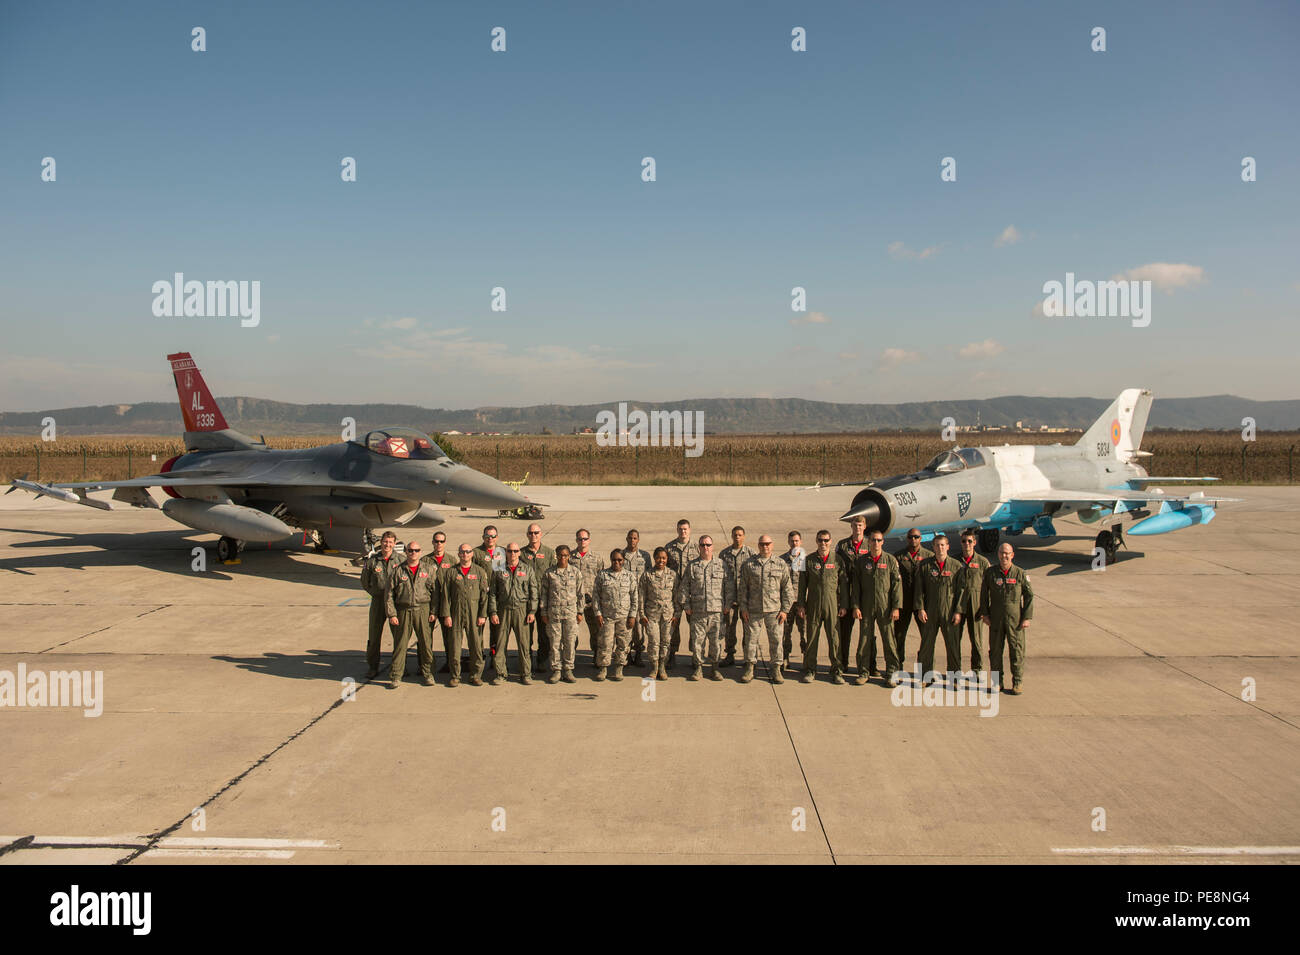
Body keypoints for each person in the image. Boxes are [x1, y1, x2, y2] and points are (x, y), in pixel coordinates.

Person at [737, 535, 794, 683]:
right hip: (753, 610)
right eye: (762, 544)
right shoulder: (749, 564)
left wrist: (785, 610)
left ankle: (776, 668)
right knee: (751, 640)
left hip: (774, 610)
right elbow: (743, 588)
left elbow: (787, 588)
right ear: (758, 545)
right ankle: (750, 667)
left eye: (768, 544)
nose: (765, 546)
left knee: (776, 640)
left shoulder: (780, 564)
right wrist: (743, 608)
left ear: (772, 545)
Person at [978, 543, 1034, 694]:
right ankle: (997, 682)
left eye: (1007, 553)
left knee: (1017, 651)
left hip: (1015, 621)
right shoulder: (991, 573)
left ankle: (1017, 682)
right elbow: (983, 594)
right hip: (995, 619)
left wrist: (1026, 617)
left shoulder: (1020, 573)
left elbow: (1029, 596)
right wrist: (985, 614)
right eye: (1002, 553)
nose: (1004, 556)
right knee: (995, 652)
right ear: (998, 554)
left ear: (1012, 555)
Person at [852, 532, 903, 685]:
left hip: (885, 606)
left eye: (878, 540)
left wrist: (896, 607)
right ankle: (863, 672)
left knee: (889, 640)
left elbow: (896, 586)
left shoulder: (890, 560)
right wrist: (856, 606)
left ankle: (891, 673)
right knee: (864, 640)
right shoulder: (862, 561)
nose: (875, 543)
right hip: (866, 605)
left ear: (883, 542)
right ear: (869, 542)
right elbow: (856, 587)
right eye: (873, 540)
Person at [384, 541, 438, 687]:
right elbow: (389, 594)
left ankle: (428, 674)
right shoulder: (397, 571)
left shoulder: (429, 570)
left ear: (420, 552)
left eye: (416, 550)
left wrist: (434, 611)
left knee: (426, 644)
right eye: (410, 550)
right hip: (403, 610)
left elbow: (435, 592)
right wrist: (392, 614)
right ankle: (396, 675)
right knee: (400, 644)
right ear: (406, 552)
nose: (413, 553)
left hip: (423, 609)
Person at [677, 535, 727, 681]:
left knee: (716, 642)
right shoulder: (692, 566)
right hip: (698, 611)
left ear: (713, 546)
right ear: (698, 547)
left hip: (716, 611)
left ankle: (714, 669)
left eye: (708, 545)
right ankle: (698, 668)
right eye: (703, 545)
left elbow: (728, 586)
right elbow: (684, 588)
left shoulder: (721, 565)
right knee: (698, 642)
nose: (706, 547)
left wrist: (728, 605)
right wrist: (686, 605)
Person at [915, 534, 962, 685]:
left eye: (943, 545)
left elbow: (961, 591)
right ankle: (925, 676)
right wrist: (920, 608)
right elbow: (919, 589)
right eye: (937, 545)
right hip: (930, 611)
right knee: (926, 645)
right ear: (933, 547)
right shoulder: (925, 565)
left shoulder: (956, 566)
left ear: (948, 546)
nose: (940, 548)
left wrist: (958, 611)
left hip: (949, 612)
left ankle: (954, 678)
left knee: (953, 646)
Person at [799, 530, 844, 684]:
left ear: (830, 541)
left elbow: (843, 585)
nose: (823, 543)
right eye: (820, 540)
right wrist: (801, 605)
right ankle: (810, 669)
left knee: (834, 638)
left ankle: (837, 670)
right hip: (813, 605)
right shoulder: (809, 560)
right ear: (816, 541)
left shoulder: (837, 560)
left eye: (826, 540)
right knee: (812, 638)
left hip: (832, 605)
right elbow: (802, 585)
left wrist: (843, 605)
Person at [441, 544, 489, 687]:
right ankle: (455, 676)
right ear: (459, 554)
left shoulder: (479, 572)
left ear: (472, 554)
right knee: (455, 646)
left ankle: (476, 675)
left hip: (474, 614)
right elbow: (446, 595)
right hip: (456, 613)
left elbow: (484, 596)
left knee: (476, 645)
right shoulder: (451, 572)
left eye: (468, 552)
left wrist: (482, 615)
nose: (465, 554)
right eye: (462, 552)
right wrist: (446, 615)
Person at [489, 543, 537, 684]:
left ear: (519, 553)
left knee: (524, 644)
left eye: (516, 551)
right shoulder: (498, 569)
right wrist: (493, 611)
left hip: (521, 609)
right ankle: (501, 673)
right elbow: (492, 593)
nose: (513, 553)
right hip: (504, 609)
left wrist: (532, 611)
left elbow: (534, 591)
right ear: (505, 553)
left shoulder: (527, 569)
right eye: (510, 551)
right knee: (500, 643)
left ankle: (525, 674)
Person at [593, 549, 640, 681]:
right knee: (605, 643)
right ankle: (603, 669)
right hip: (607, 617)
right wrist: (598, 613)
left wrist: (632, 616)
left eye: (619, 560)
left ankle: (619, 668)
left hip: (624, 617)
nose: (617, 562)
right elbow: (596, 596)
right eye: (614, 560)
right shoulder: (603, 575)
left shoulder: (630, 576)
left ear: (623, 560)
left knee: (623, 644)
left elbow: (634, 598)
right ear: (610, 560)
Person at [893, 528, 934, 675]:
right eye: (911, 537)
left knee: (926, 637)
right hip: (903, 602)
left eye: (916, 537)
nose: (913, 540)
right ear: (907, 538)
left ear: (921, 538)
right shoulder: (898, 556)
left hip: (921, 604)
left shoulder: (929, 557)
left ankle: (925, 669)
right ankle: (897, 667)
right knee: (898, 636)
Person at [360, 530, 399, 679]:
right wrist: (375, 593)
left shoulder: (400, 560)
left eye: (390, 542)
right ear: (381, 542)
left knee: (398, 636)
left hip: (394, 603)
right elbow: (364, 581)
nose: (387, 545)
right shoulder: (372, 561)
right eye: (385, 542)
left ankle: (398, 667)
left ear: (394, 544)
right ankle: (372, 666)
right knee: (374, 636)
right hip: (378, 602)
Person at [540, 545, 581, 683]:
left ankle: (568, 670)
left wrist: (580, 611)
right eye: (560, 555)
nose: (562, 558)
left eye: (565, 555)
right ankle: (556, 670)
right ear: (556, 556)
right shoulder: (549, 573)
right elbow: (544, 594)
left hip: (570, 614)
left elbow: (580, 594)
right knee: (554, 644)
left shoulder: (575, 572)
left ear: (569, 556)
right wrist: (544, 612)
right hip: (554, 614)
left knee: (569, 643)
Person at [835, 517, 870, 673]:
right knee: (844, 631)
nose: (858, 528)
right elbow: (836, 567)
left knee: (868, 632)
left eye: (860, 525)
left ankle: (871, 664)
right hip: (847, 593)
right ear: (851, 526)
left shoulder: (870, 544)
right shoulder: (842, 545)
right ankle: (842, 663)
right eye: (855, 525)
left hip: (865, 593)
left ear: (865, 527)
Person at [639, 547, 679, 681]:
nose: (661, 560)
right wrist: (642, 615)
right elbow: (641, 596)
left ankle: (662, 666)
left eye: (663, 558)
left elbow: (677, 596)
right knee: (654, 641)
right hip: (652, 615)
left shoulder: (672, 575)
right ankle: (654, 666)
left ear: (667, 560)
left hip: (668, 615)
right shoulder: (647, 575)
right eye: (658, 557)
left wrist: (677, 614)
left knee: (666, 642)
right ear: (654, 558)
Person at [953, 530, 989, 674]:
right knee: (955, 640)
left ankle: (977, 670)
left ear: (975, 542)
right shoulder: (954, 561)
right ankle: (956, 670)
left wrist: (985, 609)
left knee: (976, 640)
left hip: (976, 606)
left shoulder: (982, 562)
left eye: (969, 541)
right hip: (958, 606)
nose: (966, 544)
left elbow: (988, 587)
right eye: (963, 541)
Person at [519, 523, 554, 671]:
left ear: (541, 534)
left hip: (543, 600)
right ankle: (526, 663)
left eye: (536, 533)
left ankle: (542, 662)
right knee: (526, 635)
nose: (533, 535)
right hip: (526, 601)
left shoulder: (549, 553)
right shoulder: (520, 553)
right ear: (527, 535)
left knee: (544, 635)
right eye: (531, 533)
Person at [718, 526, 755, 667]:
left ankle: (748, 657)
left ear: (744, 536)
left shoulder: (751, 553)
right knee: (729, 628)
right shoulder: (724, 554)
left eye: (740, 535)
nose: (737, 537)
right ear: (731, 536)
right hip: (730, 598)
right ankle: (730, 654)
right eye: (735, 535)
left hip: (746, 598)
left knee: (748, 628)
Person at [570, 529, 605, 666]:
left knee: (596, 631)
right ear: (576, 540)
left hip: (591, 601)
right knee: (572, 631)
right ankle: (570, 657)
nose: (582, 541)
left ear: (589, 540)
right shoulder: (570, 557)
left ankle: (597, 655)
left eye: (585, 539)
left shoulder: (596, 558)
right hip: (573, 601)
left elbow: (601, 579)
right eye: (579, 539)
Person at [662, 519, 692, 668]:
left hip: (691, 594)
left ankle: (696, 655)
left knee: (694, 626)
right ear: (677, 530)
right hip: (674, 593)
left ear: (689, 530)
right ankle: (671, 654)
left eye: (685, 529)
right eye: (680, 529)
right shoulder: (669, 547)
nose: (683, 532)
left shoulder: (696, 547)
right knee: (673, 625)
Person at [622, 529, 652, 666]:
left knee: (639, 630)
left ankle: (639, 654)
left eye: (635, 538)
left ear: (638, 540)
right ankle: (627, 655)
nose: (632, 540)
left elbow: (649, 576)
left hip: (640, 597)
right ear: (626, 539)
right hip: (625, 597)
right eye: (630, 538)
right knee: (626, 628)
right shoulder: (621, 555)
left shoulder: (644, 556)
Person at [780, 531, 806, 669]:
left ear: (800, 542)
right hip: (787, 603)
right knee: (786, 632)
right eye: (792, 541)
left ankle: (807, 658)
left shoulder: (807, 560)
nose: (794, 543)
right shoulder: (782, 560)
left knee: (805, 632)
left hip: (802, 603)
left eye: (796, 541)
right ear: (788, 542)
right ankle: (785, 658)